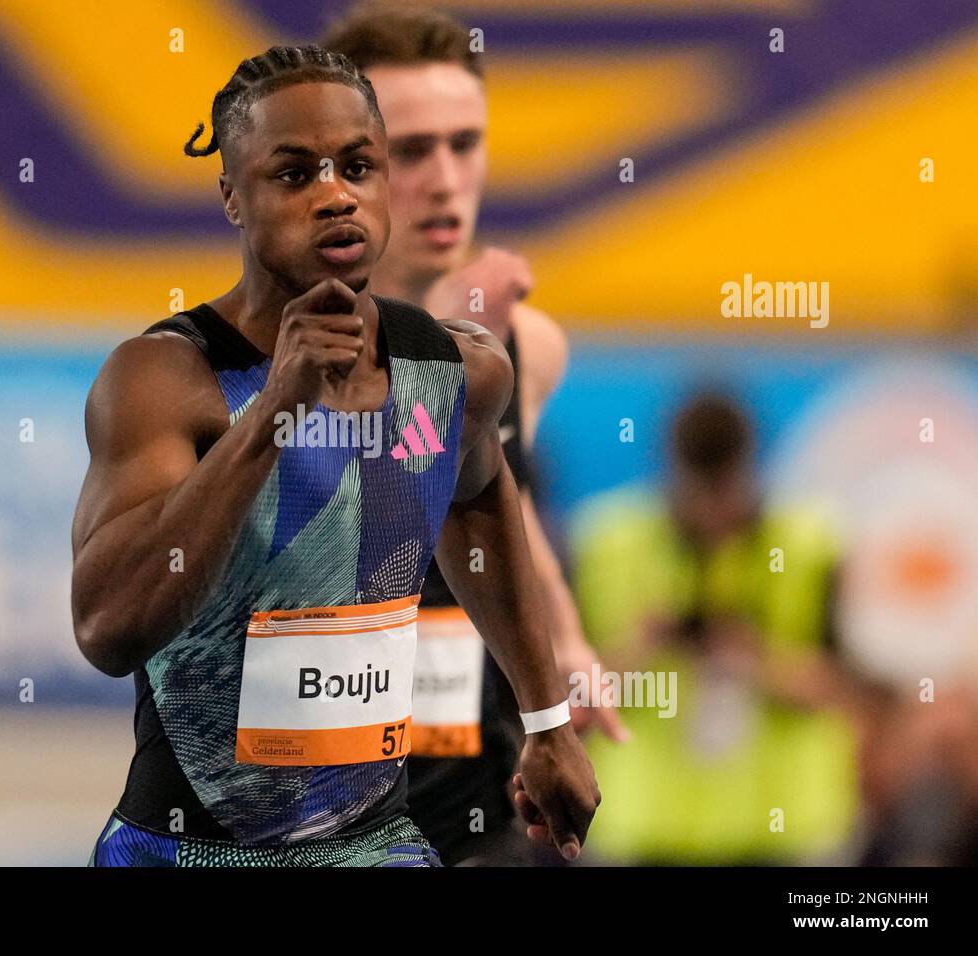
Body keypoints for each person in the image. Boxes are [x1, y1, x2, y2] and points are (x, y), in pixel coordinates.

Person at [70, 44, 598, 867]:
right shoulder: (164, 380)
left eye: (358, 166)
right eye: (294, 174)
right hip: (186, 850)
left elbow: (477, 494)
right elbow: (107, 629)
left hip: (375, 846)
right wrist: (274, 409)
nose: (334, 195)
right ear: (232, 197)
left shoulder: (455, 369)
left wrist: (545, 719)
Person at [323, 4, 626, 865]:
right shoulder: (277, 344)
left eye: (466, 141)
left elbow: (502, 497)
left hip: (474, 803)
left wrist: (563, 639)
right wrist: (434, 355)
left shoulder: (525, 343)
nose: (448, 178)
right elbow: (316, 542)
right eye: (412, 151)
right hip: (310, 805)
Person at [570, 392, 858, 864]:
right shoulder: (606, 541)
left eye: (724, 490)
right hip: (643, 830)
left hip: (789, 833)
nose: (711, 511)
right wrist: (645, 646)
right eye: (698, 491)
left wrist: (752, 658)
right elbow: (568, 698)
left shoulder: (811, 543)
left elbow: (846, 687)